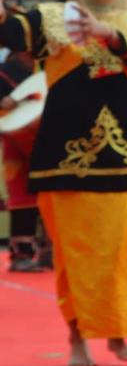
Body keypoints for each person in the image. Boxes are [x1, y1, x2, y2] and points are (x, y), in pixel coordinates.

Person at [0, 0, 127, 366]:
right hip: (64, 158)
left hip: (123, 156)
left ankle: (117, 334)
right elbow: (10, 32)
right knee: (75, 254)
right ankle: (77, 338)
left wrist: (105, 33)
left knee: (119, 253)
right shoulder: (51, 18)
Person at [1, 50, 48, 272]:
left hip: (50, 140)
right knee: (22, 196)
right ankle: (22, 254)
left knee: (53, 196)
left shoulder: (54, 65)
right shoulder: (6, 72)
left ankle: (51, 251)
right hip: (15, 143)